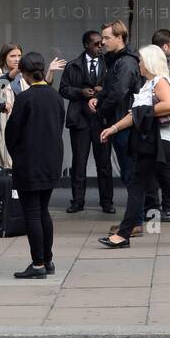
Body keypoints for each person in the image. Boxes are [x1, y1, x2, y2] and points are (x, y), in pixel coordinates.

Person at [97, 45, 170, 248]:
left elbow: (169, 105)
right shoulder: (148, 84)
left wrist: (142, 113)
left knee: (137, 184)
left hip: (157, 143)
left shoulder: (159, 81)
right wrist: (113, 128)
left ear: (149, 63)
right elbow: (134, 115)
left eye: (140, 60)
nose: (138, 63)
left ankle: (123, 234)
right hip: (159, 142)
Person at [4, 52, 64, 278]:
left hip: (30, 162)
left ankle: (38, 264)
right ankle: (48, 260)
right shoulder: (55, 96)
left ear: (25, 74)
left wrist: (16, 155)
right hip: (51, 161)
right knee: (43, 211)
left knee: (32, 213)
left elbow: (12, 134)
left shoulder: (25, 98)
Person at [93, 20, 150, 231]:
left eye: (107, 38)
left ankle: (136, 222)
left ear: (120, 38)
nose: (103, 42)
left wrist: (100, 112)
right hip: (122, 123)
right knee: (131, 174)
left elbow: (119, 93)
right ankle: (136, 220)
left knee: (131, 175)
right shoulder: (116, 60)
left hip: (126, 126)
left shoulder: (125, 62)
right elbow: (111, 88)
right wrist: (98, 98)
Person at [59, 31, 113, 213]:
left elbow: (116, 87)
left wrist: (102, 90)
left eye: (101, 43)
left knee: (104, 163)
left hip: (102, 119)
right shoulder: (73, 65)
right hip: (80, 120)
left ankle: (107, 202)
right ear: (86, 45)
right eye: (96, 44)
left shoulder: (109, 63)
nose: (100, 46)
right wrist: (80, 92)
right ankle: (77, 201)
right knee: (79, 163)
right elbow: (63, 89)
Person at [150, 28, 170, 221]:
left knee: (167, 170)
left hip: (165, 132)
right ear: (165, 46)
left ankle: (167, 208)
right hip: (158, 131)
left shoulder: (161, 66)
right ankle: (159, 210)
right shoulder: (157, 69)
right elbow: (167, 101)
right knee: (160, 173)